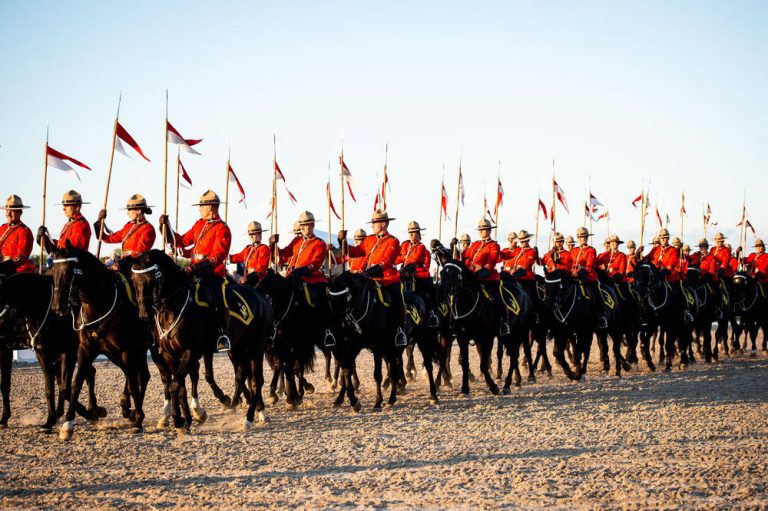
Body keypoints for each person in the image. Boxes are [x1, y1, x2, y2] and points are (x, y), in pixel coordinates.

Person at [159, 190, 232, 351]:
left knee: (218, 298)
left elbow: (216, 257)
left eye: (202, 206)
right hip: (192, 271)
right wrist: (165, 227)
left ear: (211, 208)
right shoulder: (199, 224)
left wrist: (195, 268)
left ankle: (222, 334)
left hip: (213, 274)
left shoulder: (222, 229)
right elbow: (182, 241)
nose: (199, 209)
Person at [340, 210, 407, 346]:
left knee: (397, 301)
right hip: (369, 278)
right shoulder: (369, 239)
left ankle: (400, 329)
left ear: (383, 223)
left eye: (374, 223)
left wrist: (369, 272)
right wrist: (343, 242)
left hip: (387, 279)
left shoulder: (393, 241)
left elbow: (386, 261)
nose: (372, 226)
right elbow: (356, 252)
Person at [272, 211, 336, 347]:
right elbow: (283, 255)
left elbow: (316, 262)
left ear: (312, 225)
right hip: (293, 277)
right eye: (302, 225)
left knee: (322, 299)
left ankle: (327, 330)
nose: (303, 227)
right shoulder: (297, 241)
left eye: (306, 225)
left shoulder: (319, 243)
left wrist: (301, 270)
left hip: (312, 278)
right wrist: (273, 245)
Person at [453, 218, 510, 335]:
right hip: (472, 278)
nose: (481, 231)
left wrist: (478, 272)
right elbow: (462, 257)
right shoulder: (475, 244)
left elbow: (491, 264)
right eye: (480, 229)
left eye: (484, 229)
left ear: (489, 230)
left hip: (488, 279)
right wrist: (454, 247)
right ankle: (455, 321)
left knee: (497, 298)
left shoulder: (494, 246)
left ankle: (503, 322)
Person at [396, 221, 438, 327]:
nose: (411, 234)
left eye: (414, 232)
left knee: (429, 294)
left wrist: (408, 270)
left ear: (418, 233)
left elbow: (415, 260)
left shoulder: (421, 247)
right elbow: (400, 258)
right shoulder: (405, 245)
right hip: (406, 274)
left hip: (420, 276)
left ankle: (432, 314)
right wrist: (391, 261)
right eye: (410, 232)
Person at [94, 194, 156, 263]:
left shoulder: (148, 228)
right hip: (125, 263)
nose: (127, 213)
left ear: (138, 211)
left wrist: (120, 264)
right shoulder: (128, 226)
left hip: (138, 266)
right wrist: (99, 222)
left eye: (129, 210)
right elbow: (108, 239)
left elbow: (138, 253)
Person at [570, 227, 608, 328]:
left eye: (584, 237)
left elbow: (589, 266)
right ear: (578, 238)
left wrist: (579, 273)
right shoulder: (574, 250)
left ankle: (601, 316)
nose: (582, 239)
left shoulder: (591, 250)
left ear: (587, 237)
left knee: (596, 294)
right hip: (573, 277)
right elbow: (570, 264)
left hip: (588, 278)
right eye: (580, 237)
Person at [0, 195, 36, 274]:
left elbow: (21, 258)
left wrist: (3, 267)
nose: (8, 214)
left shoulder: (24, 231)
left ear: (20, 212)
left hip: (18, 271)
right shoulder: (2, 228)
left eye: (12, 211)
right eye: (7, 210)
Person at [501, 229, 537, 299]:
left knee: (533, 298)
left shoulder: (531, 252)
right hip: (513, 278)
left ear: (528, 240)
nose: (522, 242)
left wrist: (513, 276)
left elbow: (525, 267)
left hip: (526, 279)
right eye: (521, 240)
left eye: (524, 240)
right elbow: (508, 256)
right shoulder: (517, 250)